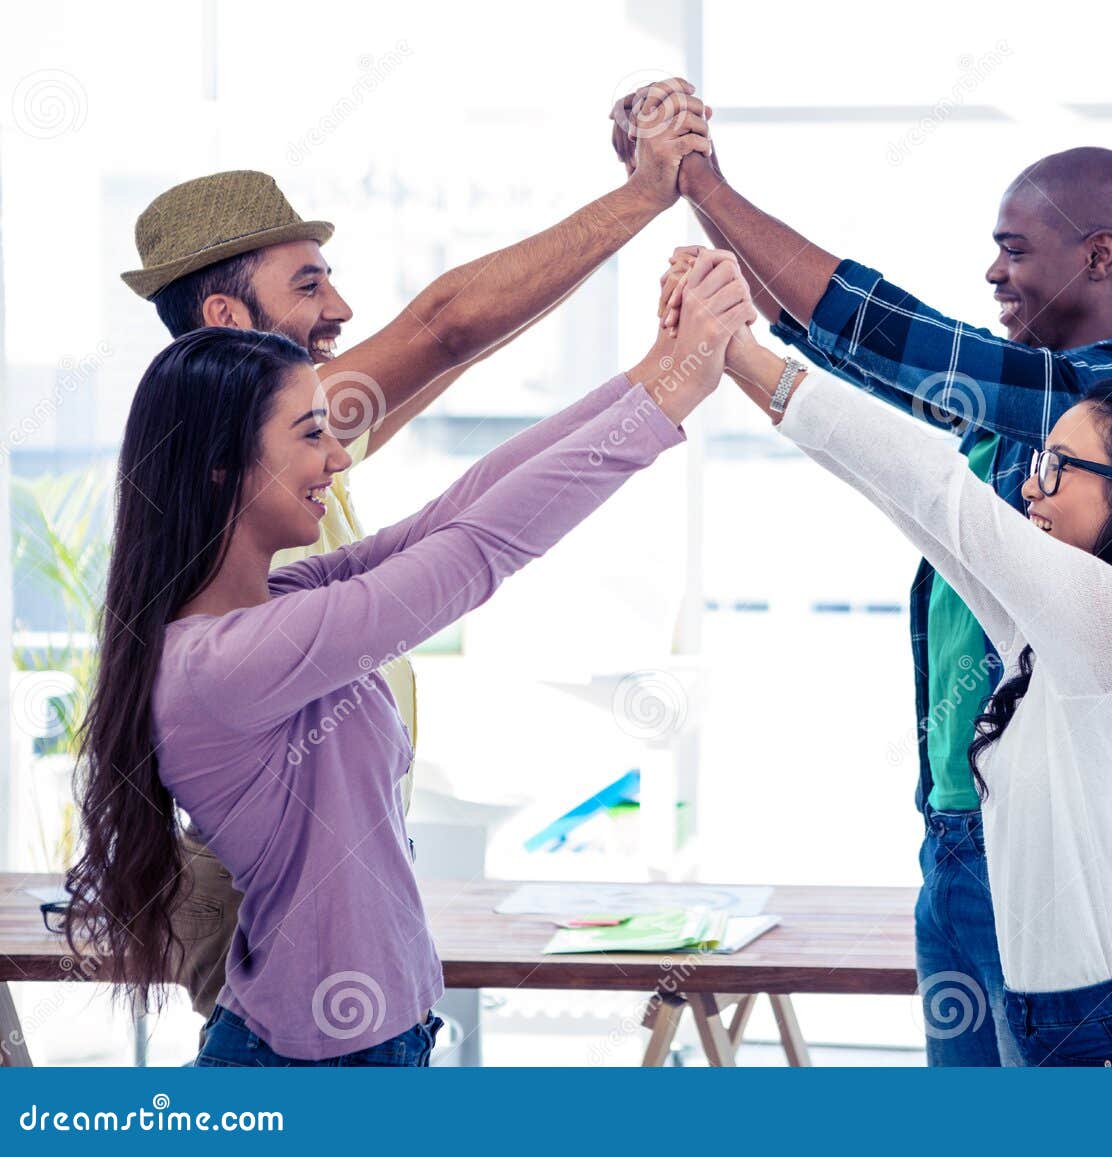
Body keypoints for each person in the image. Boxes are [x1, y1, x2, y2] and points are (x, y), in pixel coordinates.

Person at [615, 81, 1112, 1065]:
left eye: (1014, 249)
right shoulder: (1024, 397)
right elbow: (860, 368)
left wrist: (699, 179)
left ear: (1100, 254)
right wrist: (685, 206)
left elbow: (895, 335)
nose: (992, 270)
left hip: (1046, 849)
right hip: (957, 831)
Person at [63, 250, 756, 1065]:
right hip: (315, 1063)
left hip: (369, 1042)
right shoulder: (222, 661)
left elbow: (453, 514)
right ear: (223, 469)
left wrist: (652, 377)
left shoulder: (274, 607)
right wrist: (677, 390)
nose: (339, 456)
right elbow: (473, 553)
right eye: (311, 434)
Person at [120, 79, 712, 1016]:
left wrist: (656, 374)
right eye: (308, 284)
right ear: (228, 322)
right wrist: (647, 193)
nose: (342, 308)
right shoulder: (246, 440)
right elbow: (446, 332)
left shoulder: (281, 438)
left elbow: (449, 506)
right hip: (268, 894)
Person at [687, 257, 1112, 1067]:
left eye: (1059, 467)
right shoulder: (1060, 638)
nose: (1032, 486)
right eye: (1037, 461)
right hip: (1082, 1027)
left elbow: (937, 492)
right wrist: (732, 355)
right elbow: (916, 512)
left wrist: (745, 351)